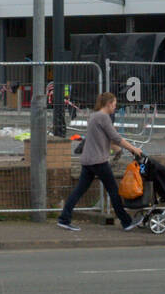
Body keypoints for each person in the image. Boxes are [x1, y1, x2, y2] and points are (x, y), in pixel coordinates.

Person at [56, 91, 145, 232]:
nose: (115, 107)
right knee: (114, 191)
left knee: (79, 190)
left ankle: (64, 219)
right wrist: (134, 149)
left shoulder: (93, 116)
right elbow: (116, 137)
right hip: (98, 161)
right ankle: (126, 222)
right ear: (109, 104)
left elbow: (105, 138)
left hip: (88, 160)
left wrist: (118, 150)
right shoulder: (103, 117)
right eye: (114, 105)